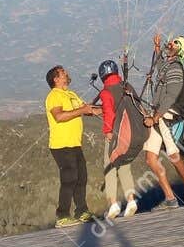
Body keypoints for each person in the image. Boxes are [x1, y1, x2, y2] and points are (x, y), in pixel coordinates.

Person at [139, 34, 184, 208]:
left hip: (165, 118)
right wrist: (157, 48)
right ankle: (170, 198)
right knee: (151, 158)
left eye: (173, 43)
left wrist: (155, 117)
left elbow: (171, 95)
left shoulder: (175, 68)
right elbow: (160, 67)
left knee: (173, 156)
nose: (169, 43)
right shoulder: (168, 65)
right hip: (157, 116)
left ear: (179, 49)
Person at [44, 66, 99, 228]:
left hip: (75, 143)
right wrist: (82, 109)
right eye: (63, 73)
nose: (67, 74)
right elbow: (59, 116)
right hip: (61, 144)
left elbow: (87, 110)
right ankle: (62, 215)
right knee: (69, 178)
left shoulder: (71, 94)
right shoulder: (54, 96)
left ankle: (81, 211)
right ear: (56, 79)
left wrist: (107, 108)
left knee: (81, 177)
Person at [96, 60, 140, 220]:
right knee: (124, 167)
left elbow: (109, 112)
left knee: (109, 167)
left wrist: (108, 131)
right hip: (130, 133)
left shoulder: (106, 92)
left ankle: (113, 204)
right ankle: (131, 200)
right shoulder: (127, 87)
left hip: (115, 134)